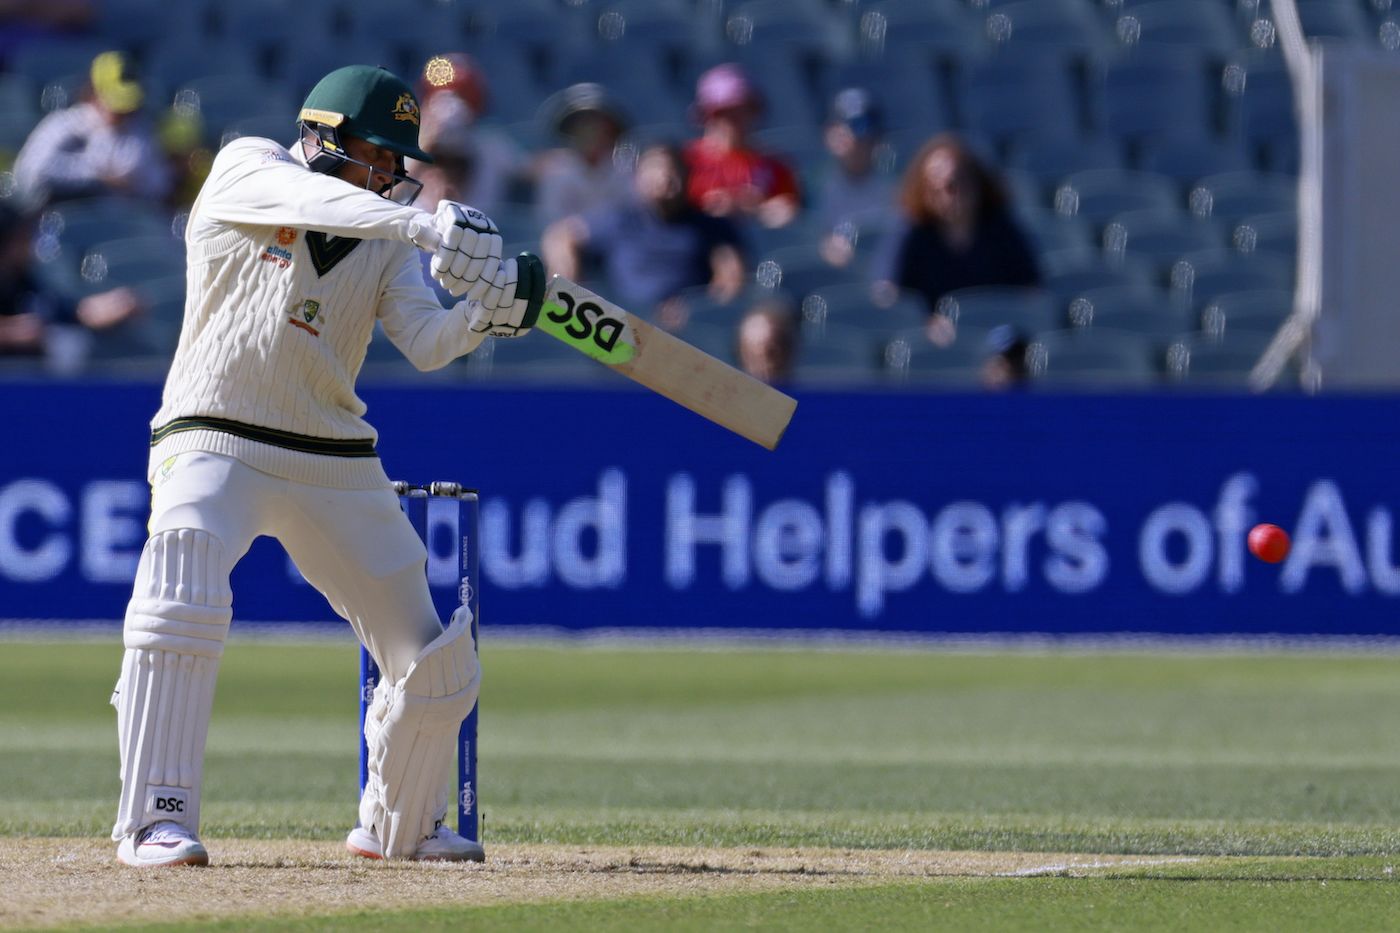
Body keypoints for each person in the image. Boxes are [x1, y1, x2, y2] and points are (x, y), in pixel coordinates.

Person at [108, 64, 544, 868]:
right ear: (324, 136)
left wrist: (489, 310)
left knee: (436, 660)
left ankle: (401, 824)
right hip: (214, 430)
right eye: (380, 155)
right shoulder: (248, 166)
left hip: (330, 452)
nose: (392, 177)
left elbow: (427, 343)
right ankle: (156, 818)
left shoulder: (383, 239)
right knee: (182, 586)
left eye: (398, 164)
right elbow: (313, 203)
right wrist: (420, 228)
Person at [541, 141, 745, 325]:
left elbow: (730, 277)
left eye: (673, 169)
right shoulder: (619, 219)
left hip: (689, 332)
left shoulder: (710, 226)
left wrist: (700, 313)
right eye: (656, 168)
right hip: (618, 327)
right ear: (638, 176)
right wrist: (569, 287)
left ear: (687, 176)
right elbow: (561, 235)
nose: (664, 177)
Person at [873, 134, 1039, 343]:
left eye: (959, 183)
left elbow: (1031, 291)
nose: (951, 195)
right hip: (934, 351)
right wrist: (927, 324)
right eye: (938, 188)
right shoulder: (911, 234)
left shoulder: (1002, 229)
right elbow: (890, 296)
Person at [12, 50, 172, 210]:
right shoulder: (63, 125)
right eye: (116, 100)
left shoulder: (140, 131)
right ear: (95, 91)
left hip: (120, 219)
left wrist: (133, 184)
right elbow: (32, 170)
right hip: (65, 215)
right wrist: (99, 176)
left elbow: (159, 184)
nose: (123, 112)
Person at [682, 63, 800, 229]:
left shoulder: (777, 167)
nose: (733, 120)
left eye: (741, 110)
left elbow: (792, 213)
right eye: (722, 112)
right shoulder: (686, 162)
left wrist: (760, 209)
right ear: (705, 115)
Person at [411, 53, 526, 216]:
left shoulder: (490, 145)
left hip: (478, 227)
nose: (451, 107)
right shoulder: (407, 144)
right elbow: (385, 198)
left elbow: (528, 169)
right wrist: (422, 149)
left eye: (461, 95)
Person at [814, 87, 896, 269]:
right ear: (829, 134)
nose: (856, 139)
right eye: (843, 127)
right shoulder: (812, 188)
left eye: (864, 128)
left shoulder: (894, 190)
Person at [532, 82, 633, 228]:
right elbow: (550, 224)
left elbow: (632, 223)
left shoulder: (626, 172)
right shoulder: (556, 173)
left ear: (611, 129)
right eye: (582, 124)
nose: (589, 131)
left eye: (596, 123)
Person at [735, 297, 797, 385]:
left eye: (771, 353)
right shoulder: (728, 396)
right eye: (752, 356)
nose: (761, 367)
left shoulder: (808, 396)